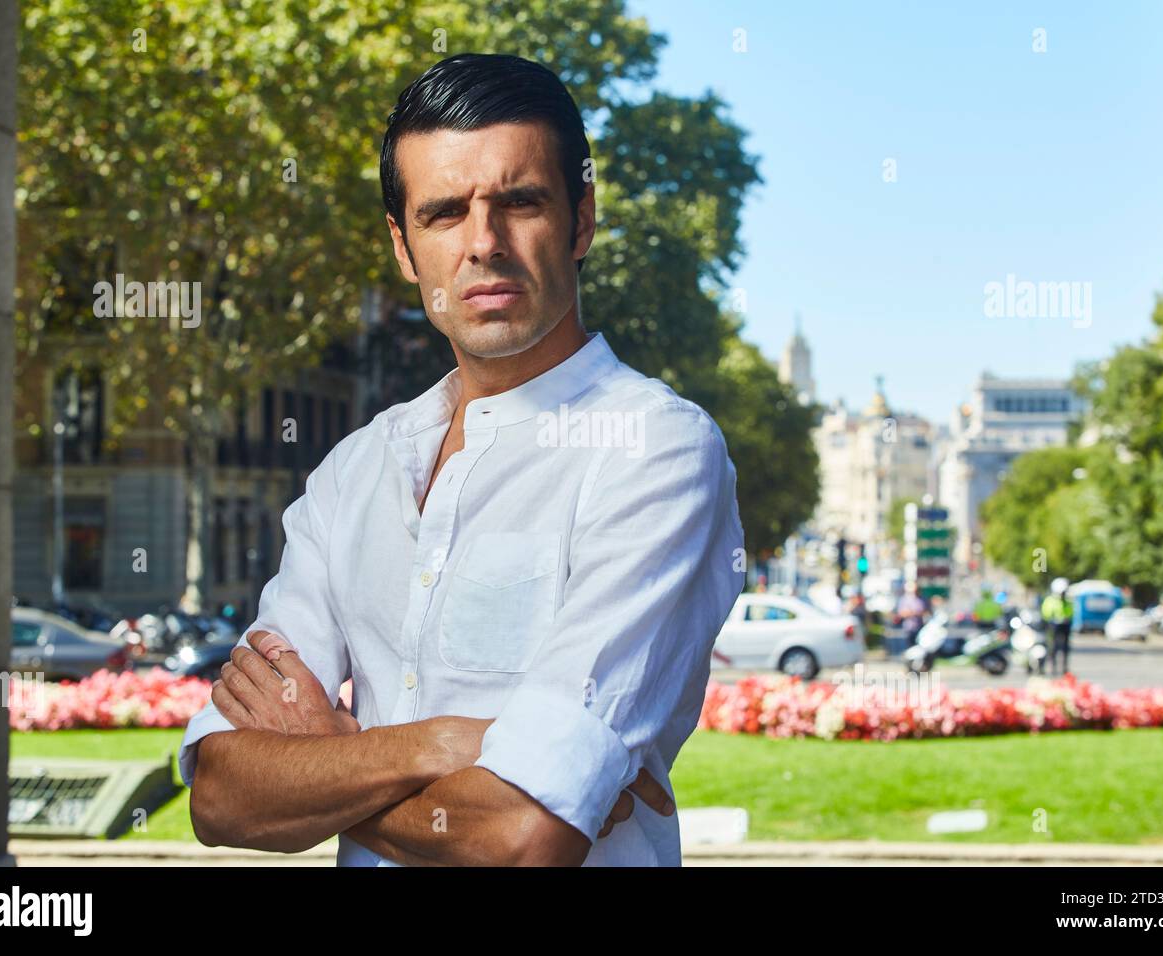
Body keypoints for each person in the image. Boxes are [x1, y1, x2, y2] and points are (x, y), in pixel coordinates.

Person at [178, 54, 744, 867]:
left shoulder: (655, 449)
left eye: (519, 202)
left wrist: (329, 757)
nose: (484, 244)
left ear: (581, 222)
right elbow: (222, 794)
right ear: (404, 248)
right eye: (444, 212)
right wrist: (441, 743)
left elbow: (522, 837)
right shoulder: (351, 472)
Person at [1040, 578, 1074, 675]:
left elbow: (1070, 612)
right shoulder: (1050, 600)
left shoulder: (1067, 601)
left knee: (1065, 647)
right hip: (1053, 625)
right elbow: (1046, 613)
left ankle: (1064, 667)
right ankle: (1053, 667)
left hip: (1065, 625)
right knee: (1053, 646)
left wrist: (1067, 618)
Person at [896, 583, 926, 648]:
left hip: (921, 625)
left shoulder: (922, 599)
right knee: (910, 645)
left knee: (920, 645)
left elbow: (926, 611)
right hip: (909, 626)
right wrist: (911, 613)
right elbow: (901, 613)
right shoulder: (904, 600)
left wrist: (918, 613)